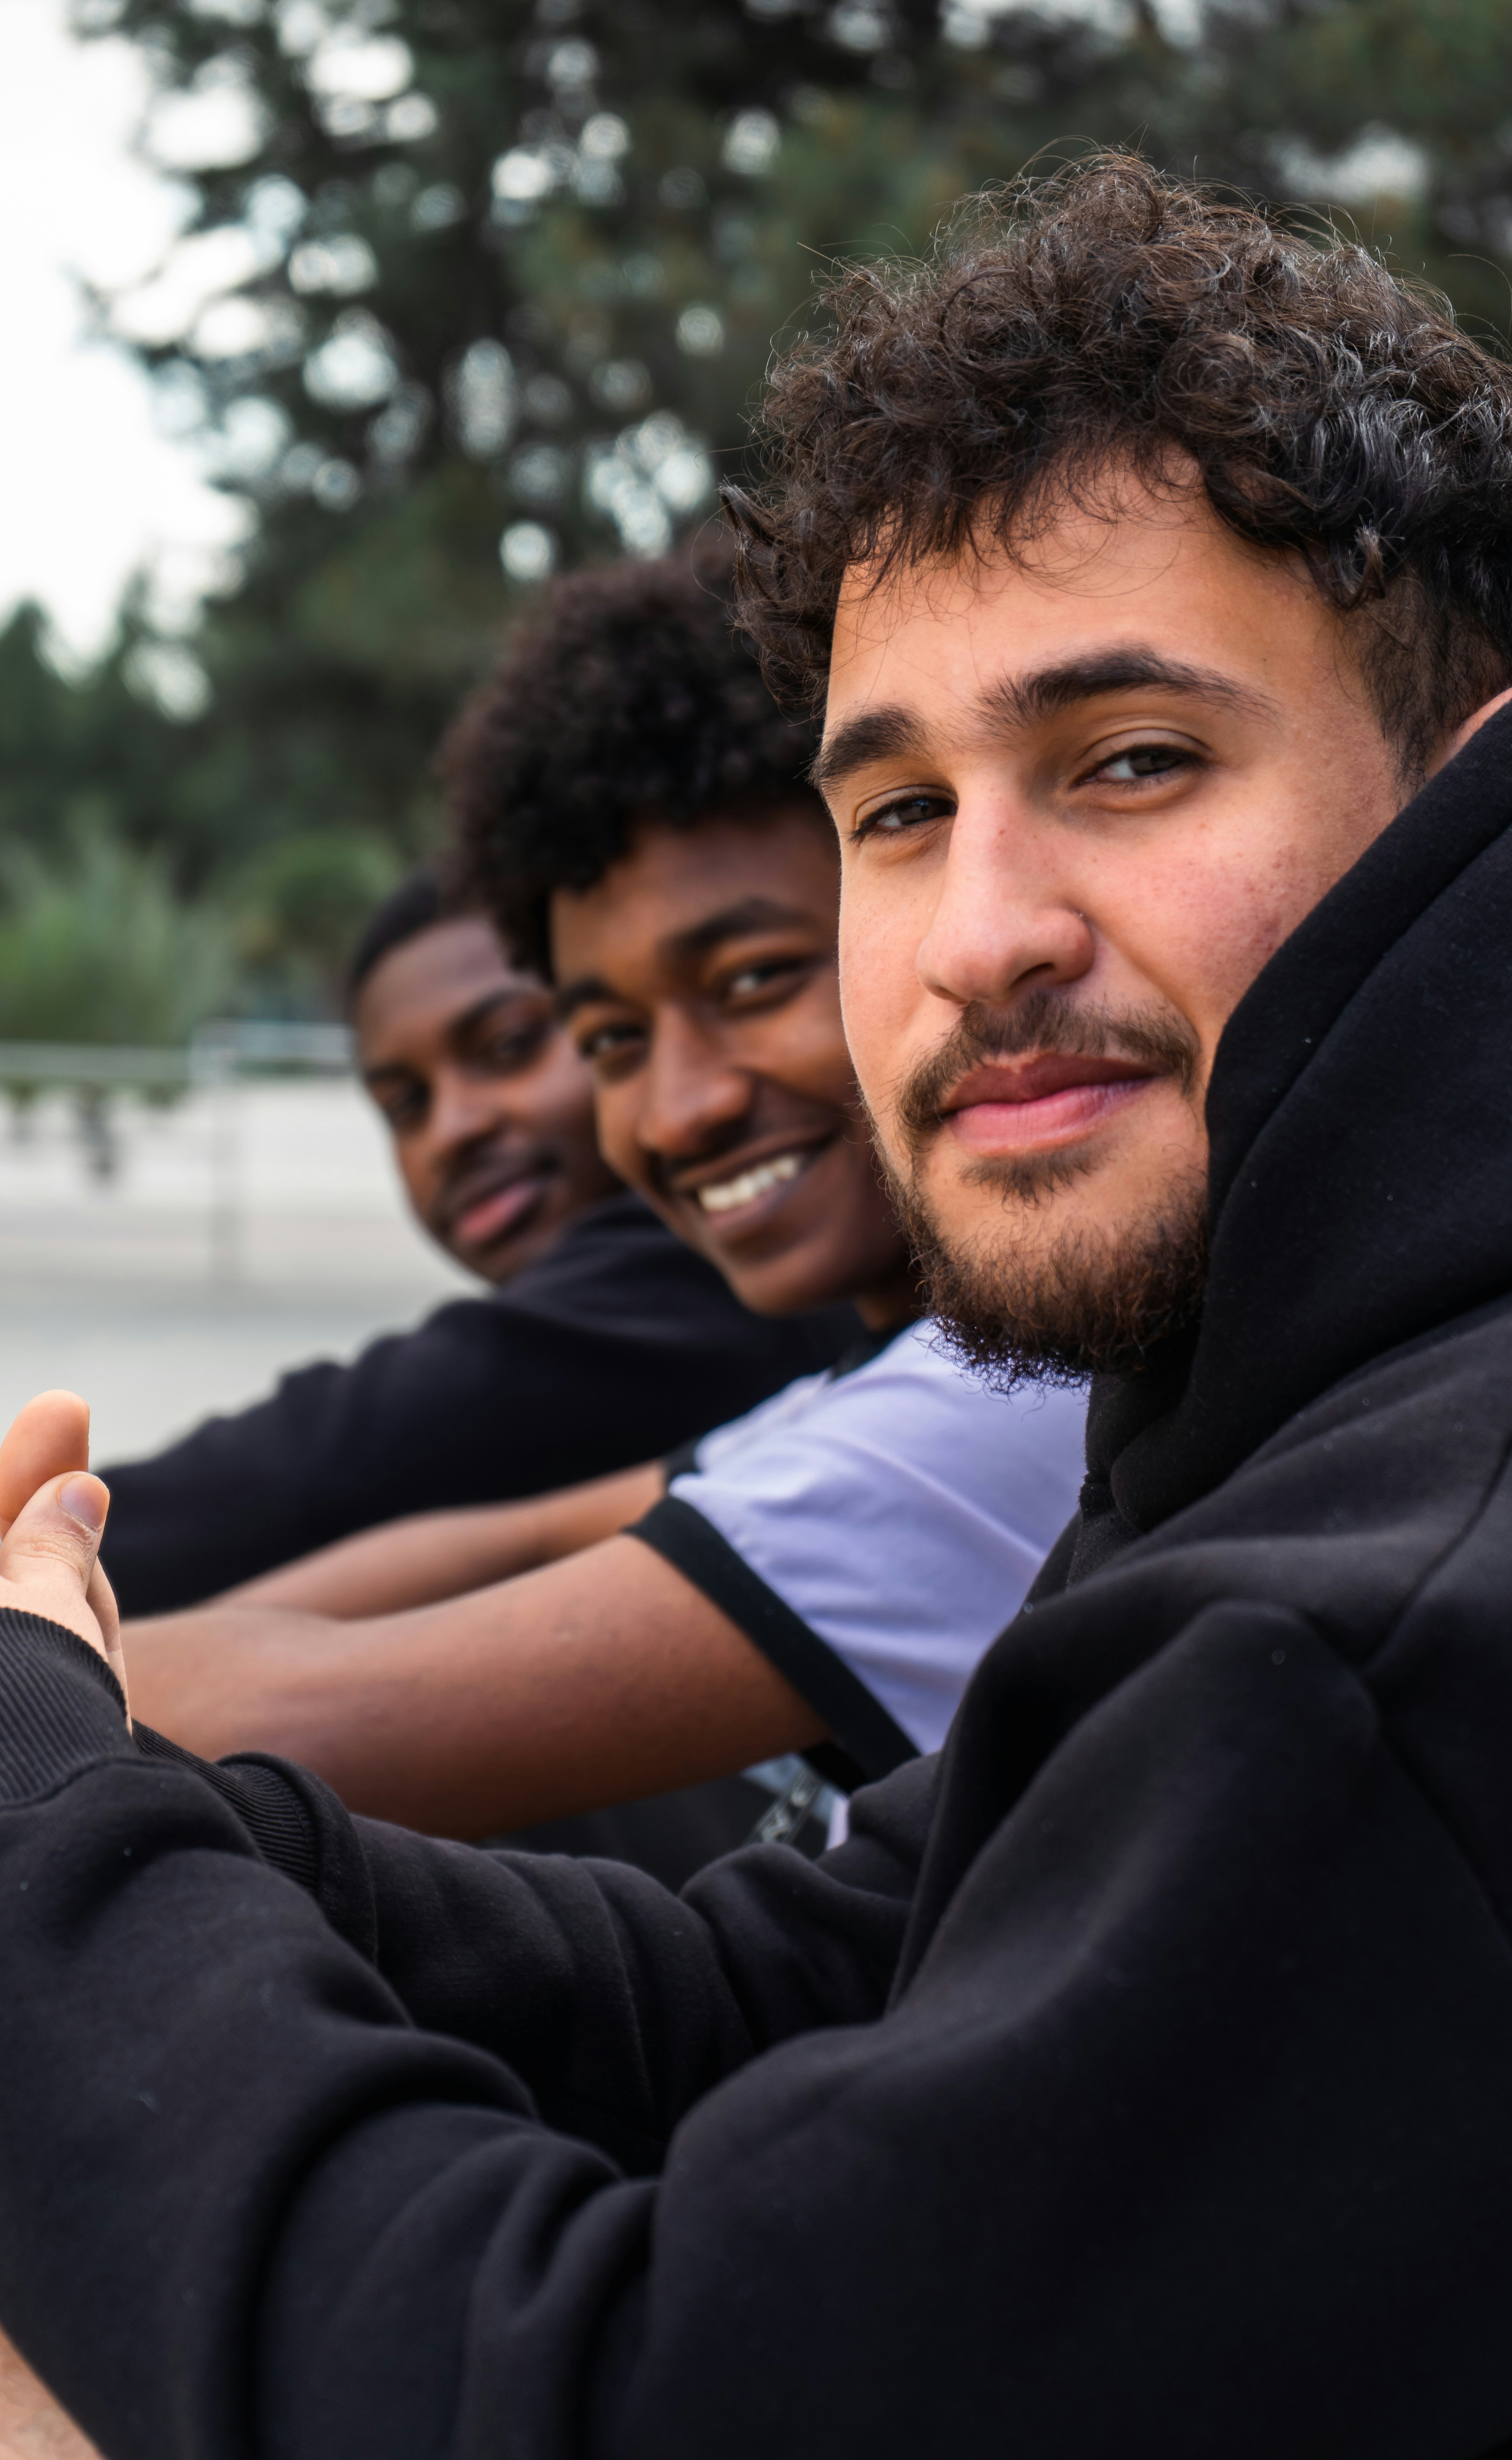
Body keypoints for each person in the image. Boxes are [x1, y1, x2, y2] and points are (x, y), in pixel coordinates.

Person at [6, 154, 1512, 2456]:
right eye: (893, 813)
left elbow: (609, 2406)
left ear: (1461, 787)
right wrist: (130, 1795)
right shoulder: (1256, 1396)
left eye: (1129, 761)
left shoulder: (1372, 1628)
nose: (976, 929)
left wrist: (41, 1820)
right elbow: (794, 1971)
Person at [117, 552, 1087, 1838]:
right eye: (612, 1041)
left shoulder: (1012, 1397)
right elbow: (511, 1543)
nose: (680, 1108)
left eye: (750, 982)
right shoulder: (875, 1380)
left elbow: (316, 1696)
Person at [96, 667, 857, 1622]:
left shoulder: (742, 1274)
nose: (454, 1128)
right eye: (403, 1103)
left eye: (510, 1046)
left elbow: (339, 1460)